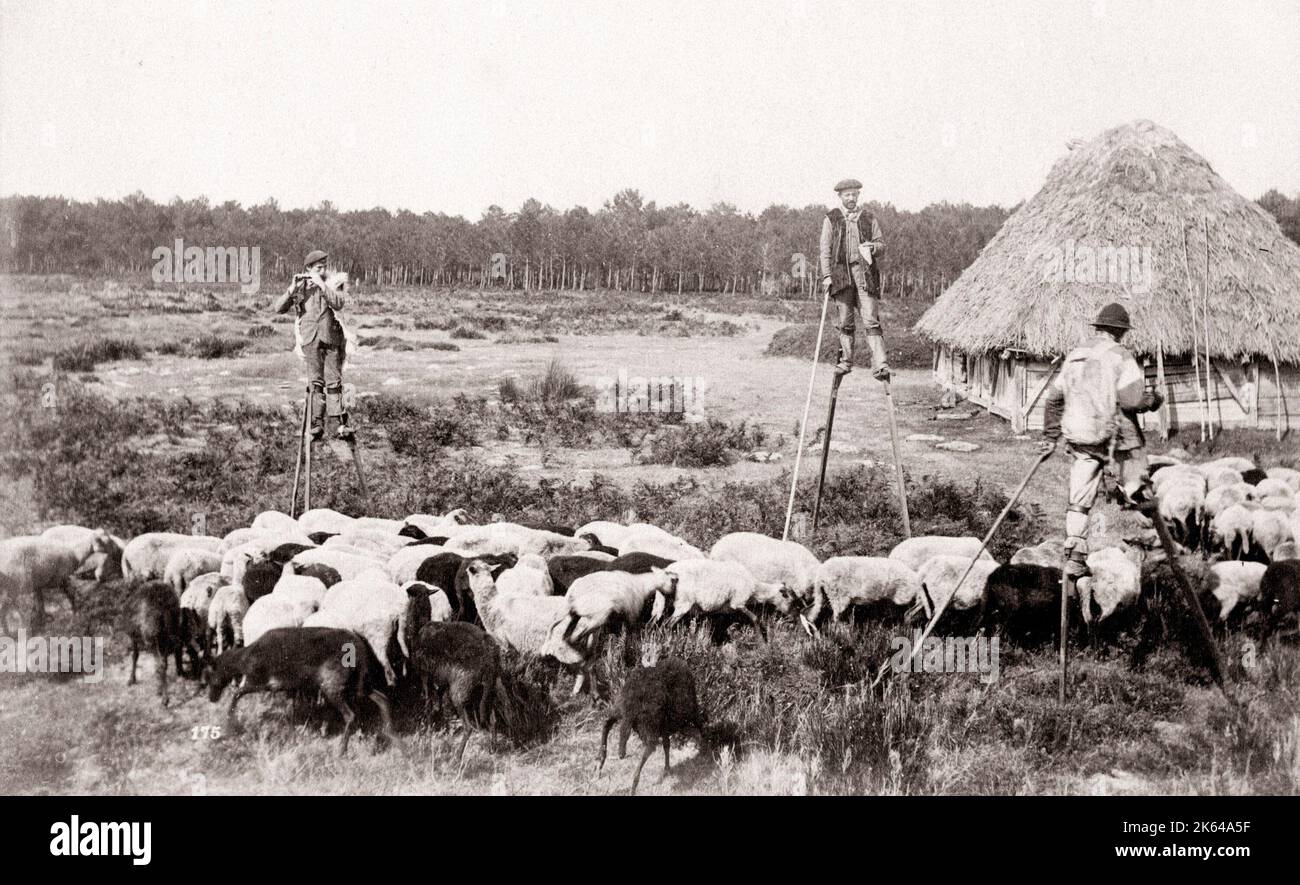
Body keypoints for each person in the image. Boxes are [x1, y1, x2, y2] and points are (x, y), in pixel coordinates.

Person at [1039, 302, 1163, 577]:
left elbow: (1054, 398)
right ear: (1120, 332)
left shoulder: (1074, 355)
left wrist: (1050, 437)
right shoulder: (1121, 356)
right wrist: (1153, 400)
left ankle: (1075, 554)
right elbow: (1132, 401)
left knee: (1079, 499)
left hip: (1079, 436)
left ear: (1099, 329)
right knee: (1136, 474)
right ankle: (1144, 510)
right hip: (1114, 437)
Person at [273, 249, 354, 440]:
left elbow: (338, 303)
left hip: (331, 338)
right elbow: (278, 308)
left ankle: (339, 425)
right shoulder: (300, 286)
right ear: (308, 268)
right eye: (318, 267)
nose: (322, 269)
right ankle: (317, 423)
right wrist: (291, 289)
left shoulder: (332, 283)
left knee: (334, 382)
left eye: (324, 266)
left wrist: (322, 285)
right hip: (310, 339)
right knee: (315, 382)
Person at [818, 178, 889, 380]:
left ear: (858, 195)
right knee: (845, 322)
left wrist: (873, 248)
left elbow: (881, 244)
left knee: (871, 321)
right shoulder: (831, 219)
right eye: (847, 195)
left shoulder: (869, 218)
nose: (851, 198)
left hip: (865, 276)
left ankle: (880, 364)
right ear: (840, 196)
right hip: (841, 277)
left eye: (854, 194)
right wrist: (826, 276)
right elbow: (825, 250)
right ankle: (845, 362)